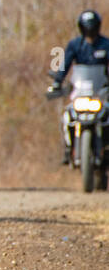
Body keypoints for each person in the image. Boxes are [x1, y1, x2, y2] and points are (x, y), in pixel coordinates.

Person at [48, 10, 109, 163]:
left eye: (92, 27)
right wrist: (57, 82)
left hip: (101, 92)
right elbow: (65, 64)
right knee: (67, 116)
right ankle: (68, 148)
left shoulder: (106, 44)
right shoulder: (75, 45)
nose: (90, 31)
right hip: (81, 92)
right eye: (87, 27)